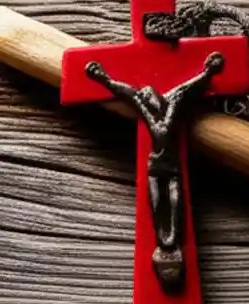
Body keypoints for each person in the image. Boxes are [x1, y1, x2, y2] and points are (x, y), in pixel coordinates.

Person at [84, 52, 224, 290]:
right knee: (157, 204)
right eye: (145, 97)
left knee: (175, 202)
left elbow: (189, 88)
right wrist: (103, 78)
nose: (148, 98)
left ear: (159, 97)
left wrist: (210, 71)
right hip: (154, 167)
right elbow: (124, 92)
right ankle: (165, 245)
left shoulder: (173, 105)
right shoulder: (145, 111)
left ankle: (172, 243)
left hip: (173, 168)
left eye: (150, 96)